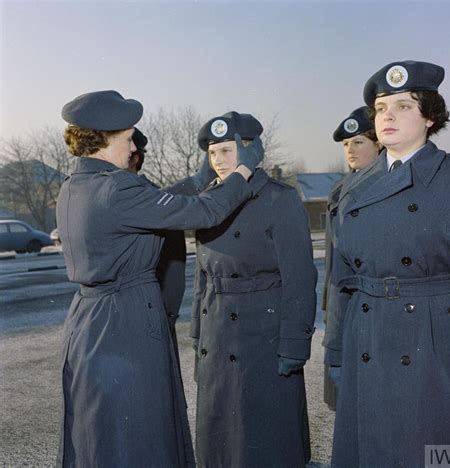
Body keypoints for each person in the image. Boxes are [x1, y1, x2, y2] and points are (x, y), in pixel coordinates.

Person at [56, 91, 264, 467]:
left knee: (103, 432)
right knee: (139, 433)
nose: (134, 145)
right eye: (127, 138)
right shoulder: (117, 188)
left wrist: (202, 176)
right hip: (124, 323)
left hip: (91, 322)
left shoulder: (78, 184)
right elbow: (204, 212)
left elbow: (156, 206)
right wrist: (243, 172)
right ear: (103, 140)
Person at [325, 61, 450, 467]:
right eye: (381, 107)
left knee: (440, 454)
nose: (387, 115)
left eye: (404, 106)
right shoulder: (354, 186)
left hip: (435, 337)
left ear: (429, 116)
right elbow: (343, 280)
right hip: (368, 332)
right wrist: (336, 350)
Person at [190, 111, 317, 467]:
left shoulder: (280, 199)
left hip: (263, 337)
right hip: (216, 339)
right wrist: (198, 336)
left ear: (249, 152)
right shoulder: (209, 200)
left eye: (227, 151)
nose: (219, 161)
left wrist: (294, 345)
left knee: (264, 440)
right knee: (221, 446)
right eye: (213, 153)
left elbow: (300, 278)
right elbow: (203, 278)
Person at [322, 106, 381, 410]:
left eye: (359, 142)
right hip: (340, 306)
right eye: (346, 144)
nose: (350, 150)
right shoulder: (339, 191)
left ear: (378, 143)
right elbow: (333, 263)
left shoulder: (387, 186)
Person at [128, 128, 187, 354]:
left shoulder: (156, 202)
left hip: (153, 321)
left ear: (134, 158)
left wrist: (165, 320)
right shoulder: (108, 197)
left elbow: (173, 271)